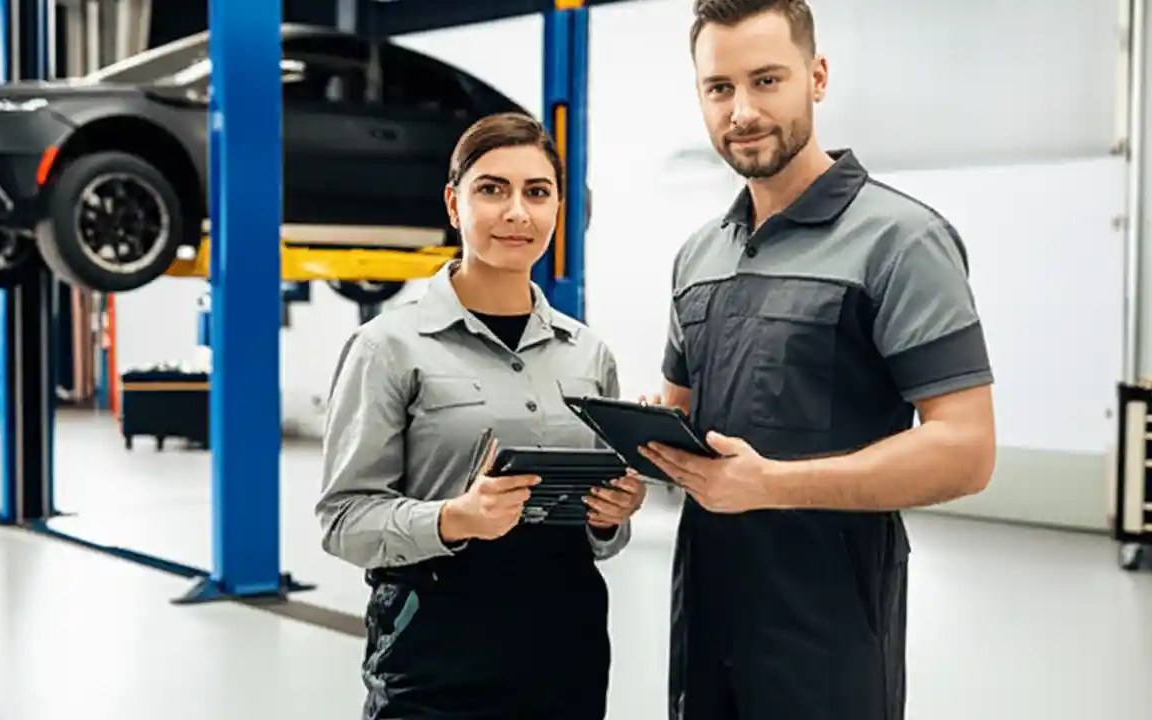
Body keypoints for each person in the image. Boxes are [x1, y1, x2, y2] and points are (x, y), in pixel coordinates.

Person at [636, 2, 998, 719]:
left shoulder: (901, 241)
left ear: (817, 77)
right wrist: (635, 441)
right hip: (705, 621)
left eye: (767, 80)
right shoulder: (699, 255)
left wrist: (770, 485)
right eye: (719, 88)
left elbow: (967, 449)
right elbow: (678, 414)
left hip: (828, 632)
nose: (742, 110)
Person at [315, 111, 646, 720]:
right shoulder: (388, 347)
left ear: (557, 209)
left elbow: (603, 537)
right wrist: (453, 518)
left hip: (565, 652)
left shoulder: (588, 354)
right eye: (491, 189)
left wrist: (610, 517)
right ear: (453, 203)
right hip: (434, 654)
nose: (516, 212)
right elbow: (343, 519)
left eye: (537, 192)